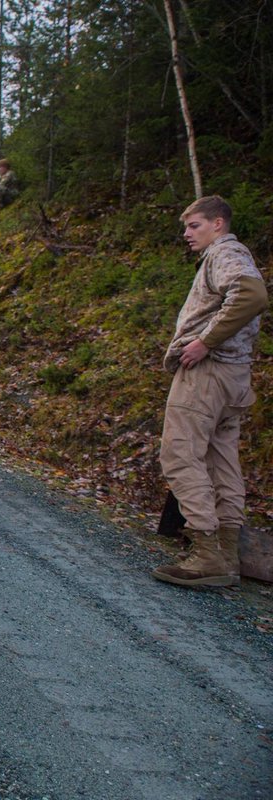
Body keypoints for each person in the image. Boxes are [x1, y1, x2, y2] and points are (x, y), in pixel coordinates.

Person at [152, 195, 267, 587]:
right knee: (221, 460)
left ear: (218, 223)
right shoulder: (230, 255)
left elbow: (252, 296)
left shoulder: (225, 253)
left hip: (209, 373)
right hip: (234, 375)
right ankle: (226, 551)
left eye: (194, 225)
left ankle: (205, 552)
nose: (187, 234)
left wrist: (205, 341)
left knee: (180, 453)